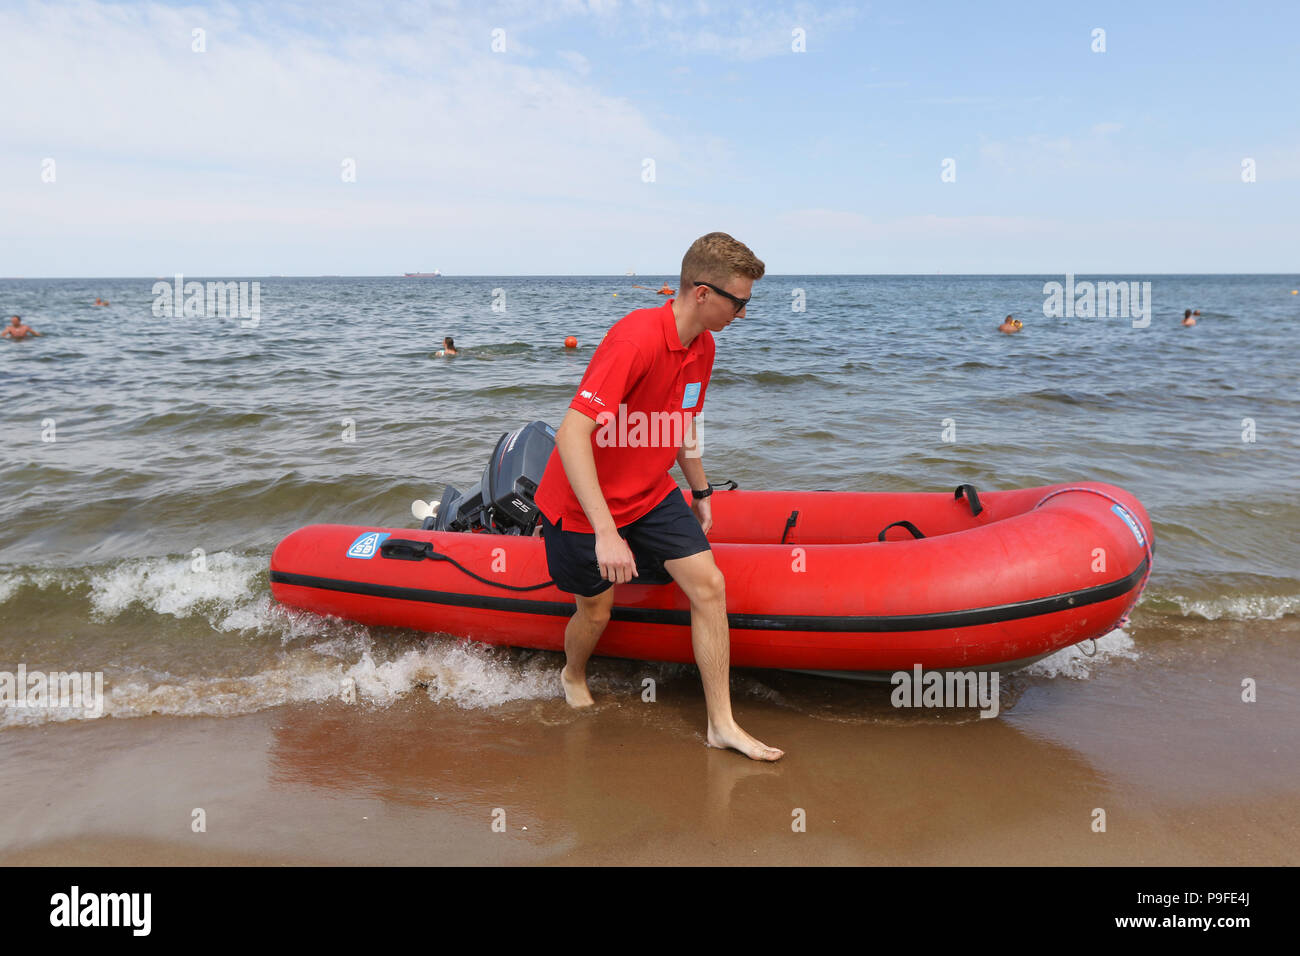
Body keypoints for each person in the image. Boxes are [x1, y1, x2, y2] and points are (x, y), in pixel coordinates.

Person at [533, 232, 782, 761]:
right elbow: (573, 432)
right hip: (585, 503)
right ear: (701, 293)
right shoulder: (635, 340)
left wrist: (701, 489)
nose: (743, 314)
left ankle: (721, 724)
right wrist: (607, 532)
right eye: (739, 302)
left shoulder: (704, 346)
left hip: (649, 491)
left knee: (709, 586)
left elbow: (683, 421)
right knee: (597, 612)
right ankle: (572, 672)